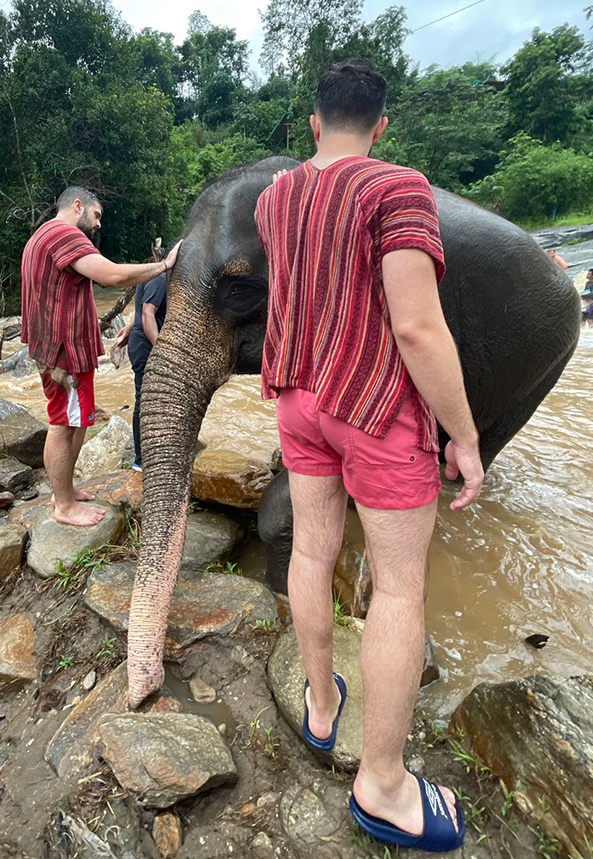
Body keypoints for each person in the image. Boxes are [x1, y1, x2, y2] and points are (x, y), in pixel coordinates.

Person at [254, 61, 484, 853]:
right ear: (380, 125)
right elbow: (417, 328)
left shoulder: (273, 196)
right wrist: (464, 432)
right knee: (397, 593)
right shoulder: (398, 186)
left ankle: (322, 707)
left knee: (313, 551)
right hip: (376, 408)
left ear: (315, 123)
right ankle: (383, 782)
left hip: (298, 397)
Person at [21, 187, 180, 527]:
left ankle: (63, 490)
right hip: (64, 350)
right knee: (63, 424)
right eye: (96, 216)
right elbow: (112, 276)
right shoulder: (64, 234)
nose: (98, 225)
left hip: (57, 347)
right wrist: (165, 265)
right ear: (77, 206)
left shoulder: (40, 236)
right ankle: (63, 505)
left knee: (77, 421)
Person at [124, 270, 167, 470]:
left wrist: (129, 328)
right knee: (144, 402)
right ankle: (141, 460)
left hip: (140, 341)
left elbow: (141, 308)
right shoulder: (160, 278)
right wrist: (161, 351)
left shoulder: (154, 275)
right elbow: (148, 312)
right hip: (145, 346)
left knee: (154, 400)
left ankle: (153, 451)